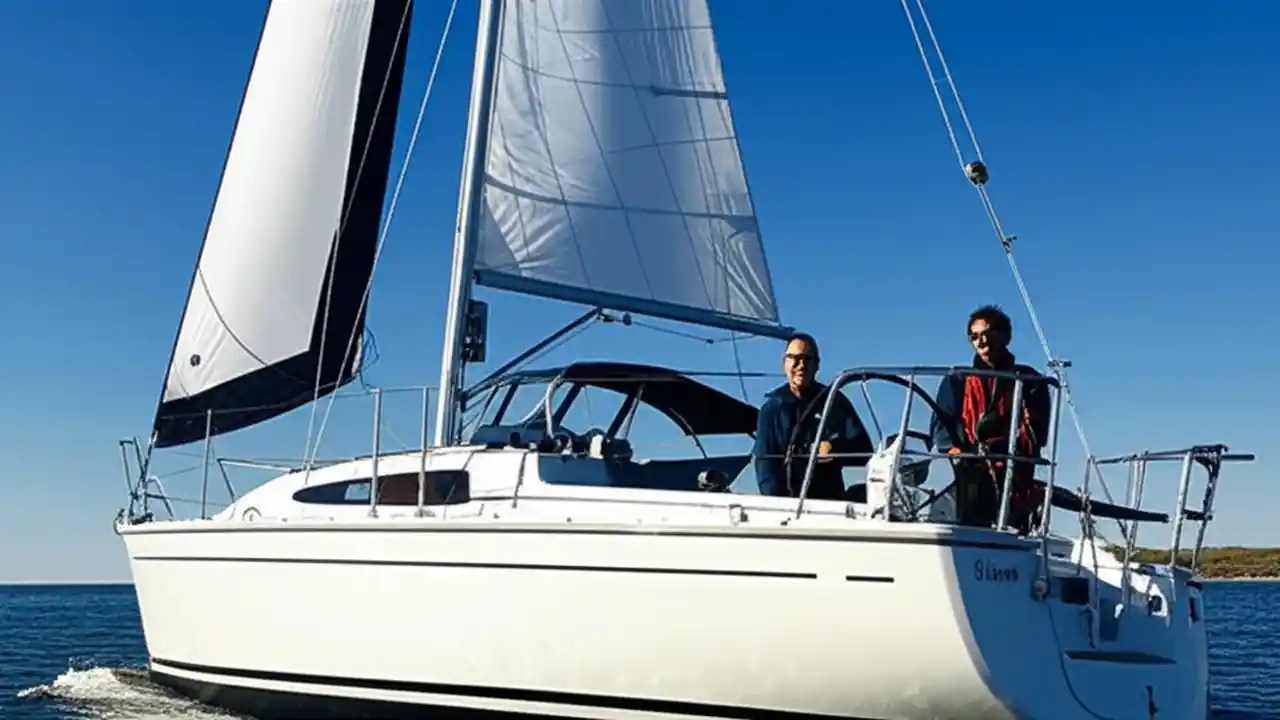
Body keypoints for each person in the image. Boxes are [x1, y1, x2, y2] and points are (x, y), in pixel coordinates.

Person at [929, 305, 1052, 533]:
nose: (981, 342)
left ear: (1006, 336)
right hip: (971, 467)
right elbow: (941, 424)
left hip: (1014, 470)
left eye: (987, 334)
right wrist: (954, 450)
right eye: (974, 337)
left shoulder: (1029, 380)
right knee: (973, 521)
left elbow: (1038, 431)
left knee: (1015, 524)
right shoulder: (957, 380)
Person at [753, 332, 874, 501]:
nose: (800, 365)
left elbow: (864, 452)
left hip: (830, 505)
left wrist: (835, 449)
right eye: (793, 358)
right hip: (788, 508)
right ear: (784, 364)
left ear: (817, 365)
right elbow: (764, 465)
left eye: (806, 359)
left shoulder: (835, 401)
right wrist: (777, 507)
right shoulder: (772, 409)